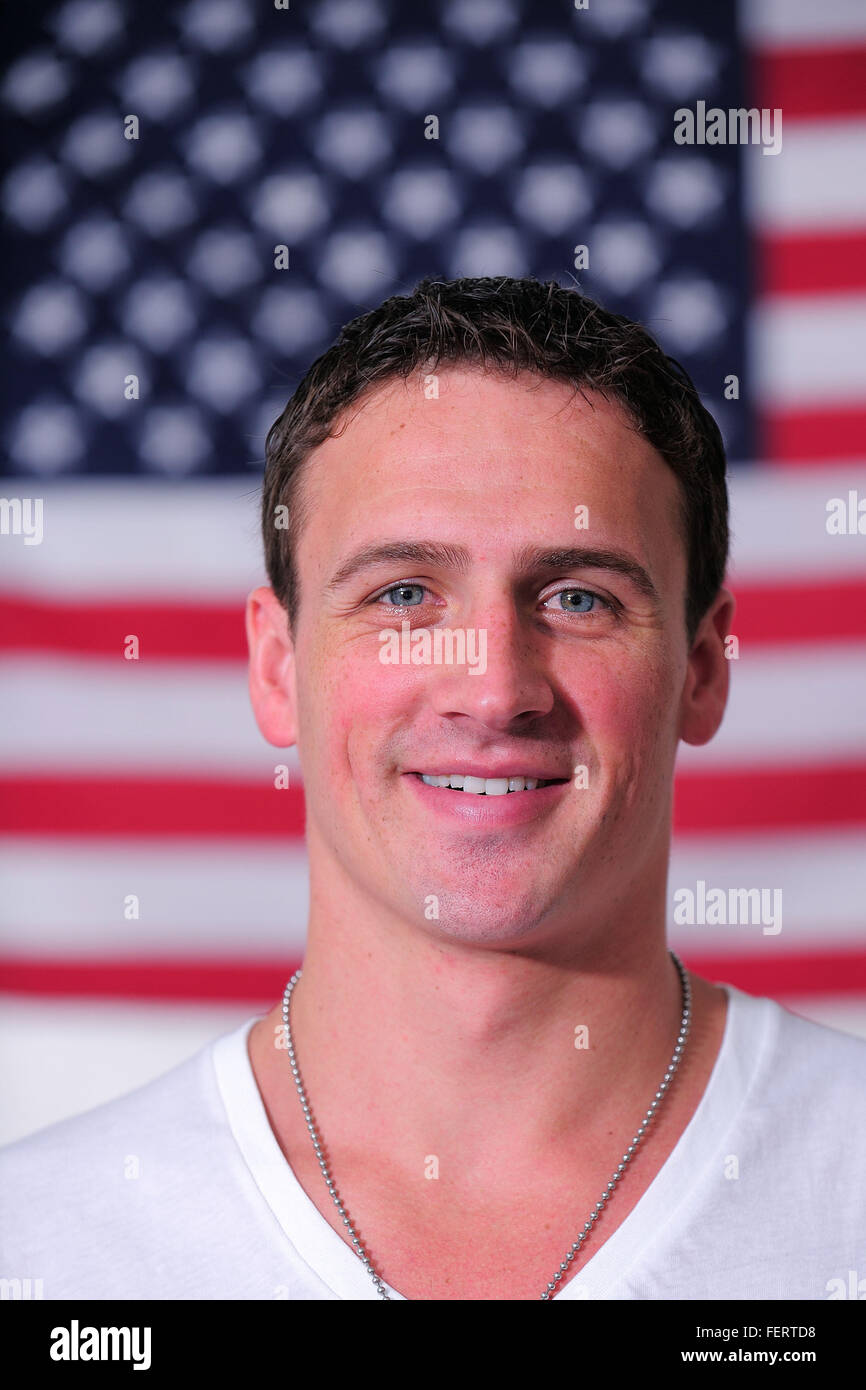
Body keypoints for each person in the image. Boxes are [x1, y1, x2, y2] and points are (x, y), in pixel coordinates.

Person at [2, 277, 864, 1302]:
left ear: (703, 666)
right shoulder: (38, 1247)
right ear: (276, 668)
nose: (494, 688)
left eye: (578, 596)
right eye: (403, 593)